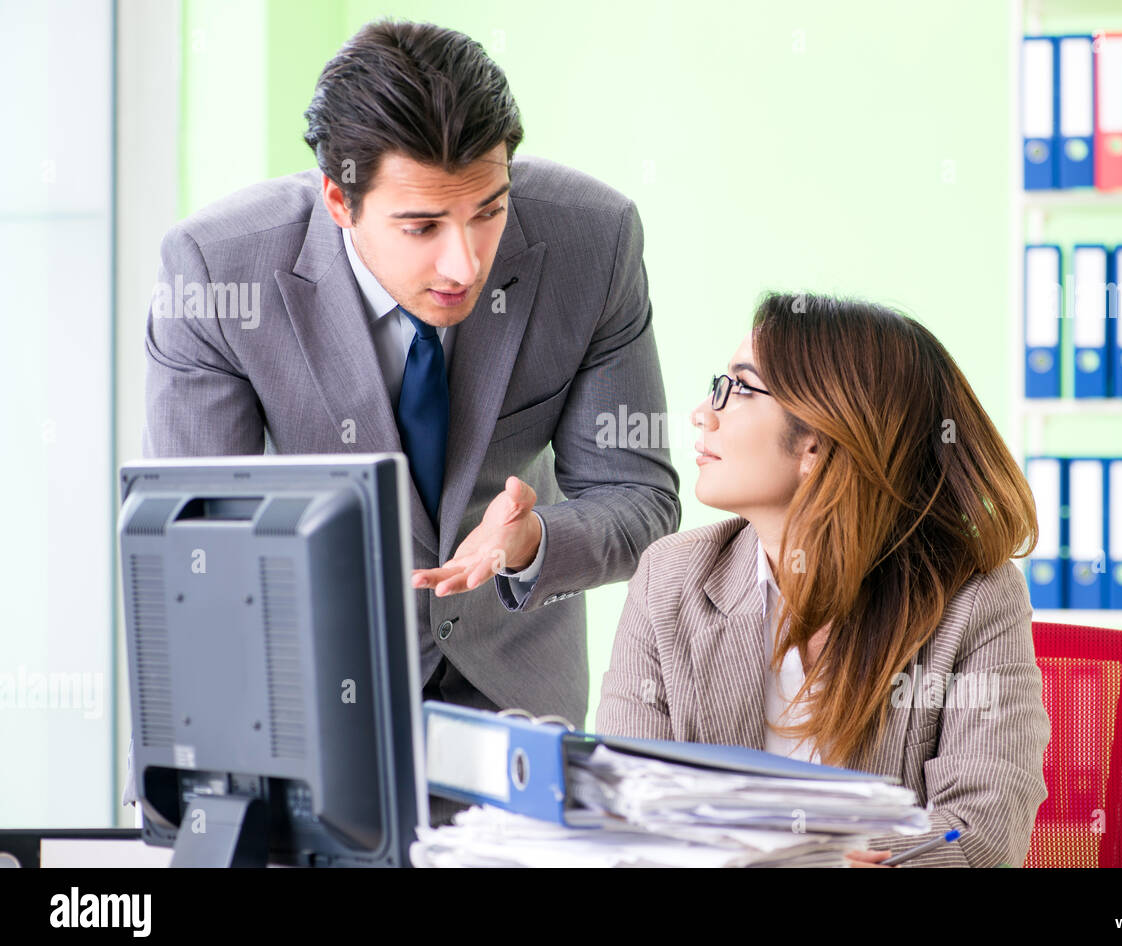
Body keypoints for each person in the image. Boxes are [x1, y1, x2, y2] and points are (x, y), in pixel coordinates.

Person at [128, 20, 680, 813]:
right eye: (421, 227)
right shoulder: (219, 270)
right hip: (304, 710)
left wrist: (535, 541)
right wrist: (198, 783)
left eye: (488, 211)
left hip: (515, 722)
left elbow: (643, 500)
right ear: (338, 200)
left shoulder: (593, 240)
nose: (464, 262)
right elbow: (191, 543)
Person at [595, 293, 1051, 867]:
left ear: (816, 440)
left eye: (739, 389)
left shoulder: (976, 600)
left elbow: (979, 837)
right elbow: (624, 807)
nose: (702, 413)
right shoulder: (671, 579)